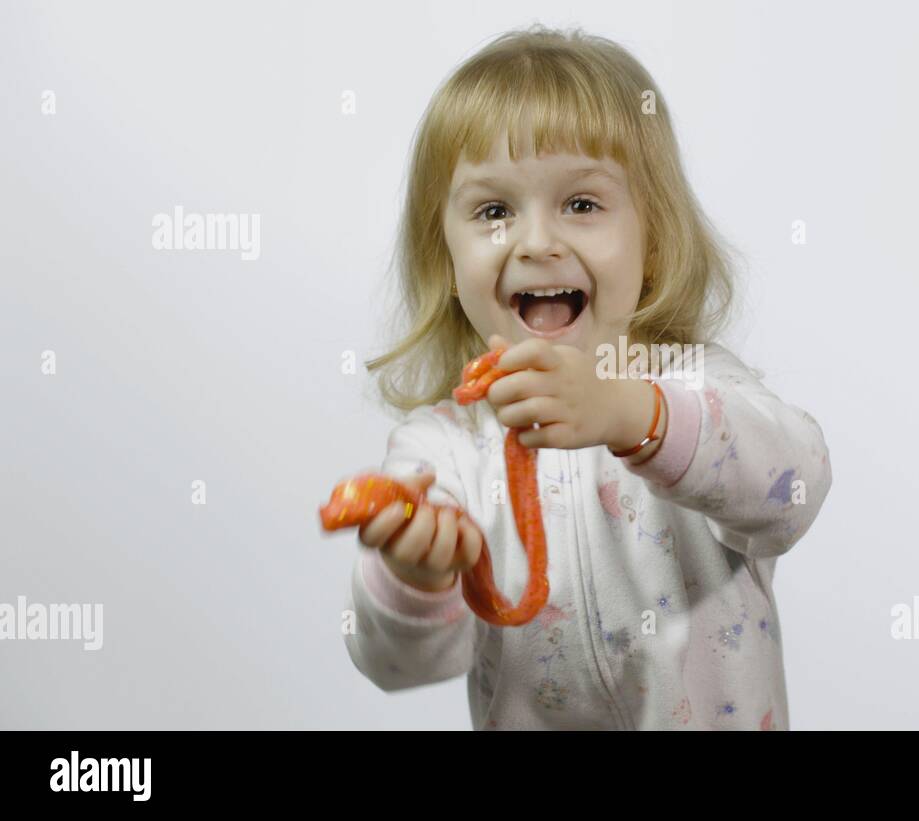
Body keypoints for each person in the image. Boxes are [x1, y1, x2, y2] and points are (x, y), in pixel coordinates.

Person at [344, 24, 831, 730]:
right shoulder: (441, 451)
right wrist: (417, 577)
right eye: (493, 211)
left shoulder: (693, 390)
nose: (538, 242)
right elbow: (397, 666)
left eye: (582, 203)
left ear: (653, 238)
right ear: (444, 259)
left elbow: (796, 489)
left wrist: (638, 416)